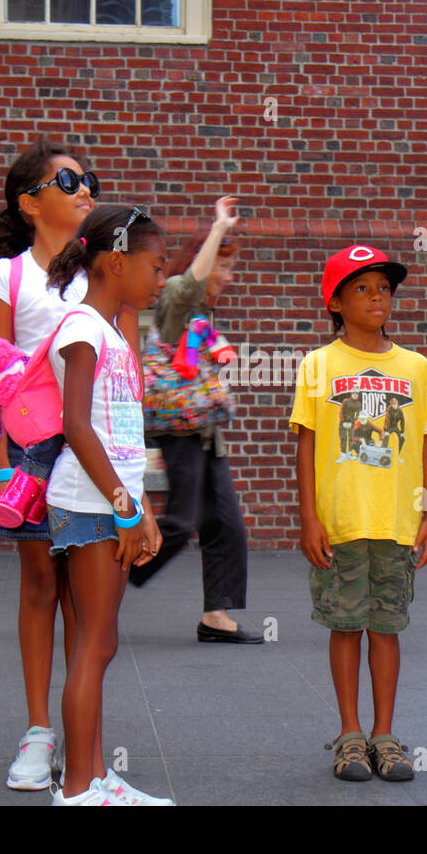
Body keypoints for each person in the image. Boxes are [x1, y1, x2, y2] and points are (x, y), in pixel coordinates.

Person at [291, 244, 427, 782]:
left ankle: (385, 735)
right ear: (334, 302)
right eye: (361, 288)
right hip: (340, 523)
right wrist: (309, 518)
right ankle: (350, 735)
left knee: (386, 627)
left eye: (383, 287)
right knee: (345, 624)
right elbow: (307, 445)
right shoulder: (318, 365)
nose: (376, 296)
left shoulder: (416, 368)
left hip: (396, 522)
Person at [0, 140, 102, 791]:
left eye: (90, 179)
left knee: (85, 593)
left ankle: (79, 732)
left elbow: (119, 371)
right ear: (30, 203)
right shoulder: (7, 278)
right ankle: (38, 731)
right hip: (30, 452)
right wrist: (0, 469)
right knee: (38, 588)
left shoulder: (101, 274)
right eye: (69, 180)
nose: (86, 189)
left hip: (88, 450)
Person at [45, 204, 171, 806]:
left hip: (112, 502)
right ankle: (76, 790)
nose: (162, 276)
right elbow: (75, 426)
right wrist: (122, 507)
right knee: (93, 645)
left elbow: (122, 433)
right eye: (156, 263)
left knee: (99, 643)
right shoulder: (81, 327)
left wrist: (140, 507)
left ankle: (95, 778)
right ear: (116, 262)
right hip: (88, 503)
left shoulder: (117, 333)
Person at [128, 196, 263, 643]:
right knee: (182, 522)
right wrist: (219, 229)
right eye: (223, 268)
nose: (227, 277)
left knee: (226, 523)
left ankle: (216, 618)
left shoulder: (201, 319)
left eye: (230, 269)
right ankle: (104, 577)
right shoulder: (174, 302)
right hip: (179, 433)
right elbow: (191, 283)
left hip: (206, 434)